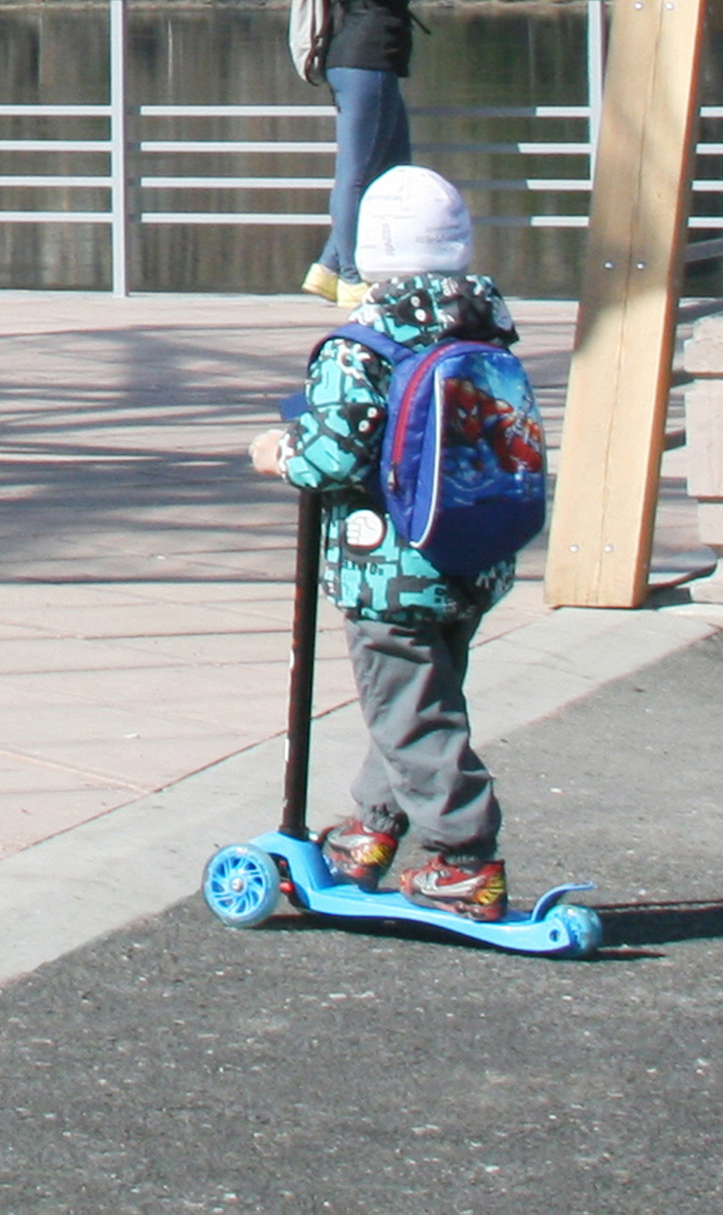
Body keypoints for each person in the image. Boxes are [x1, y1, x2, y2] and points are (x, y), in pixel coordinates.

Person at [246, 163, 522, 918]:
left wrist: (281, 452)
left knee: (409, 709)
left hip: (390, 568)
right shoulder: (483, 324)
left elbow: (333, 456)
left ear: (368, 253)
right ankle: (372, 827)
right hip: (470, 554)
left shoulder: (361, 343)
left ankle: (465, 856)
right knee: (416, 698)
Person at [297, 0, 441, 307]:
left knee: (393, 169)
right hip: (362, 61)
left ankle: (328, 266)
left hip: (376, 61)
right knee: (357, 174)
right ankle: (351, 276)